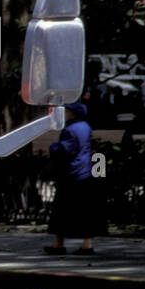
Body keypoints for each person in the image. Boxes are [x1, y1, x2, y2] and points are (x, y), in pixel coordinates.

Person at [45, 100, 104, 255]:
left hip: (71, 174)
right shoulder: (85, 127)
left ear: (72, 113)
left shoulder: (70, 130)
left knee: (60, 211)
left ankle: (59, 244)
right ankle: (87, 244)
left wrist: (53, 147)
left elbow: (66, 149)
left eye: (66, 111)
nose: (64, 114)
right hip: (85, 172)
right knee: (84, 211)